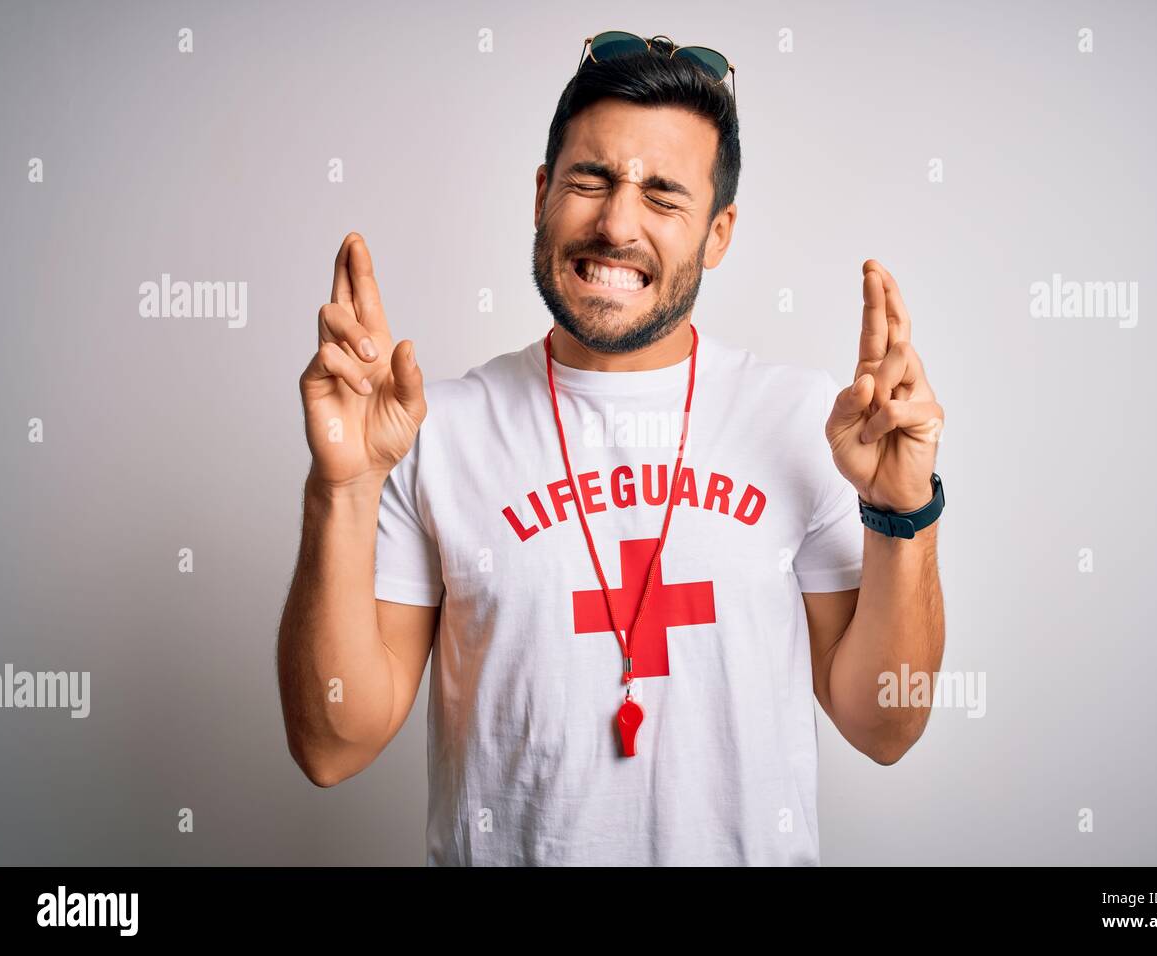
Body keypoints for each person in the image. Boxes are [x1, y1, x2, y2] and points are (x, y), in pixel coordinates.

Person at [277, 31, 946, 866]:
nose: (617, 222)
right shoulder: (430, 431)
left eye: (664, 196)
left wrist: (901, 512)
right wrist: (338, 487)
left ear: (719, 232)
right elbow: (332, 746)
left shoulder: (809, 422)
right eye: (589, 180)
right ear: (540, 194)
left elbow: (884, 727)